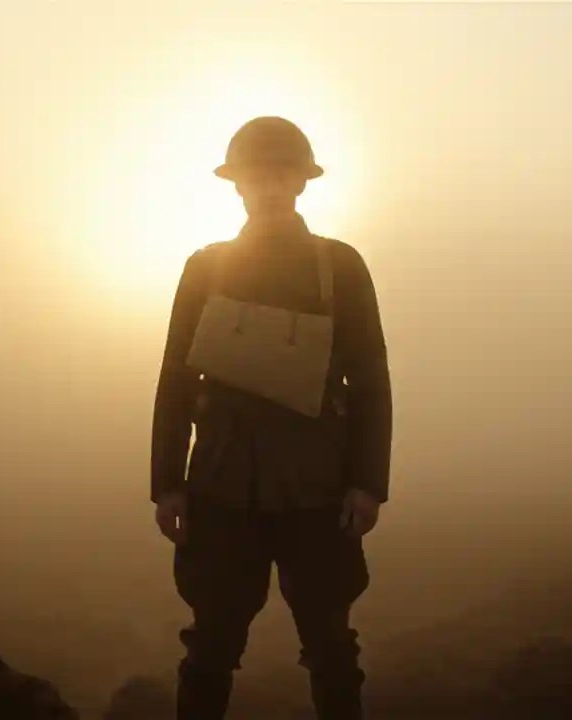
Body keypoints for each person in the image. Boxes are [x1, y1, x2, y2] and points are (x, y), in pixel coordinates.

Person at [150, 116, 393, 719]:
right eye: (256, 174)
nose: (268, 184)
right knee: (211, 647)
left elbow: (370, 380)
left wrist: (367, 484)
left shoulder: (340, 267)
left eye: (281, 172)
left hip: (319, 489)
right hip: (222, 484)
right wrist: (168, 483)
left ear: (301, 181)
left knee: (332, 647)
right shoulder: (205, 267)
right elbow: (177, 379)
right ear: (237, 184)